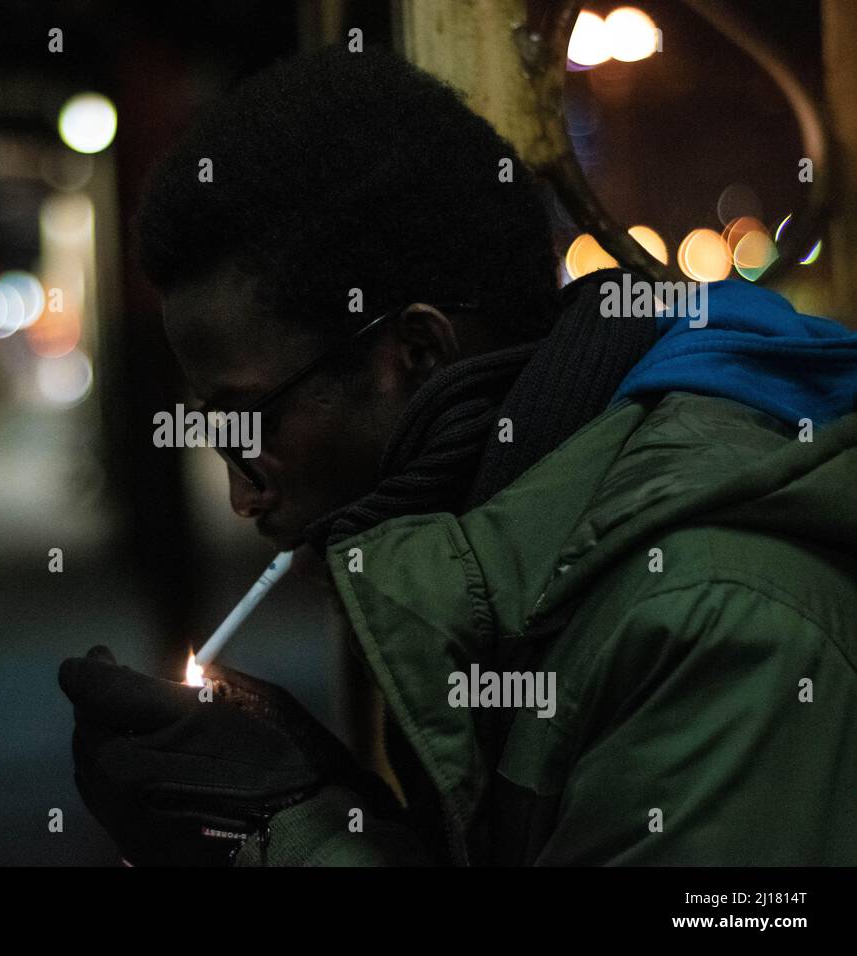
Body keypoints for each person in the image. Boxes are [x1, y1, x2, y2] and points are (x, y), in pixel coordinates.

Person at [59, 45, 857, 865]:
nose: (243, 495)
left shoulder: (713, 627)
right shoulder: (538, 578)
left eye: (246, 423)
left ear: (416, 353)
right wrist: (319, 792)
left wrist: (288, 834)